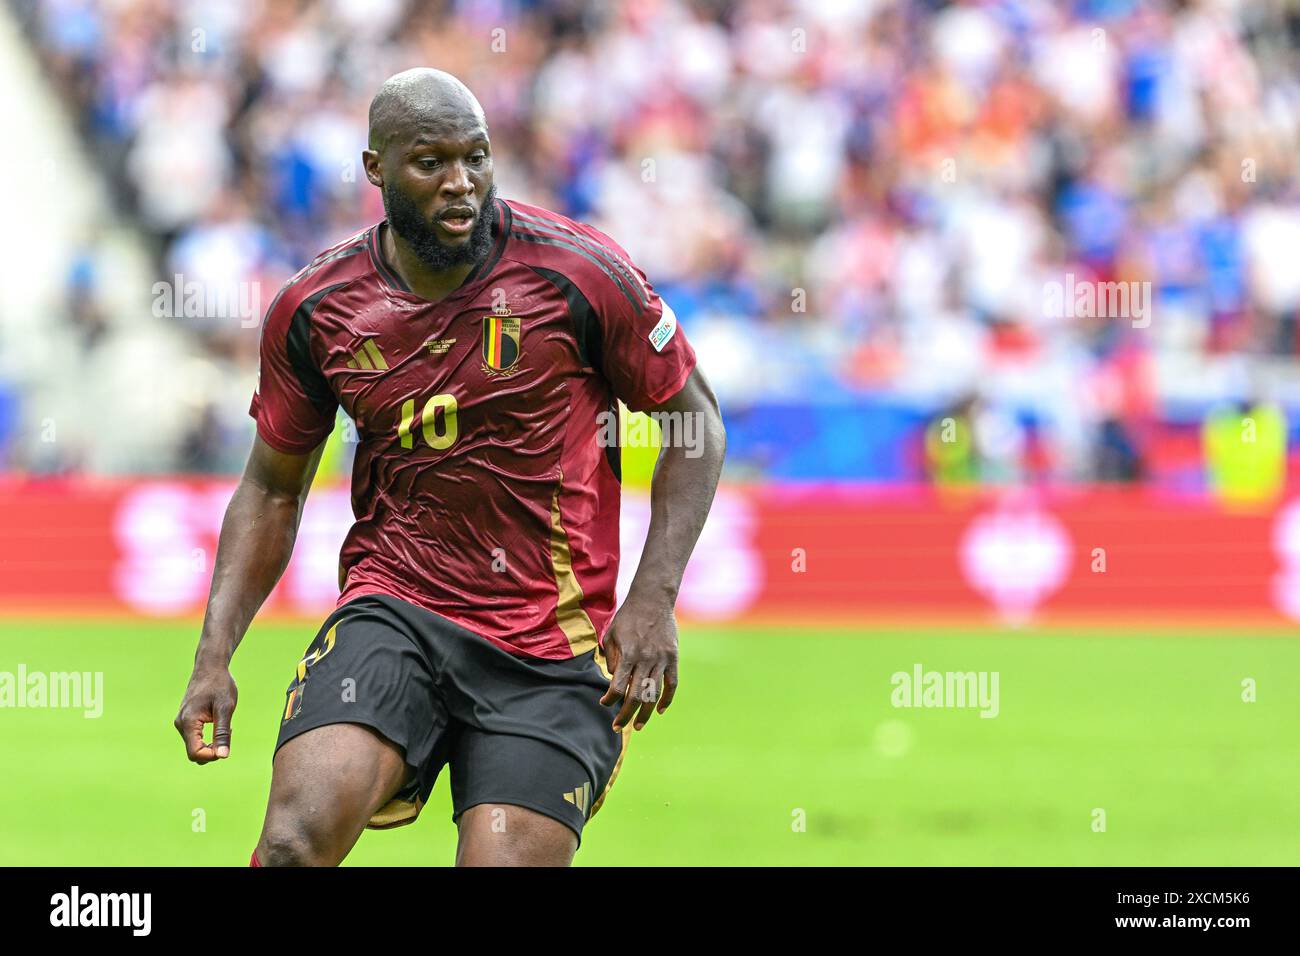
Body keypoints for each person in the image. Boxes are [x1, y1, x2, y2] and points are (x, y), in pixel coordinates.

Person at [174, 68, 726, 866]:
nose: (461, 182)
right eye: (431, 163)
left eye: (476, 157)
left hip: (552, 644)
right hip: (396, 608)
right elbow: (270, 486)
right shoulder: (315, 308)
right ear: (376, 170)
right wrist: (213, 656)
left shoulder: (577, 272)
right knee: (292, 845)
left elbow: (695, 421)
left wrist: (653, 597)